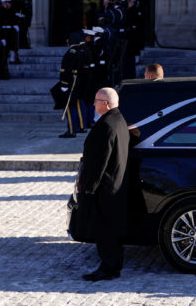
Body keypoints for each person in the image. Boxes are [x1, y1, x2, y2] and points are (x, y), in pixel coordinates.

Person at [77, 87, 130, 282]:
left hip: (105, 188)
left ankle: (109, 267)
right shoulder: (119, 120)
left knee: (104, 230)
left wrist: (88, 190)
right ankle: (112, 265)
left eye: (96, 101)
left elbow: (99, 162)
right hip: (116, 184)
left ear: (105, 104)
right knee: (111, 229)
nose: (93, 104)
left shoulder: (106, 125)